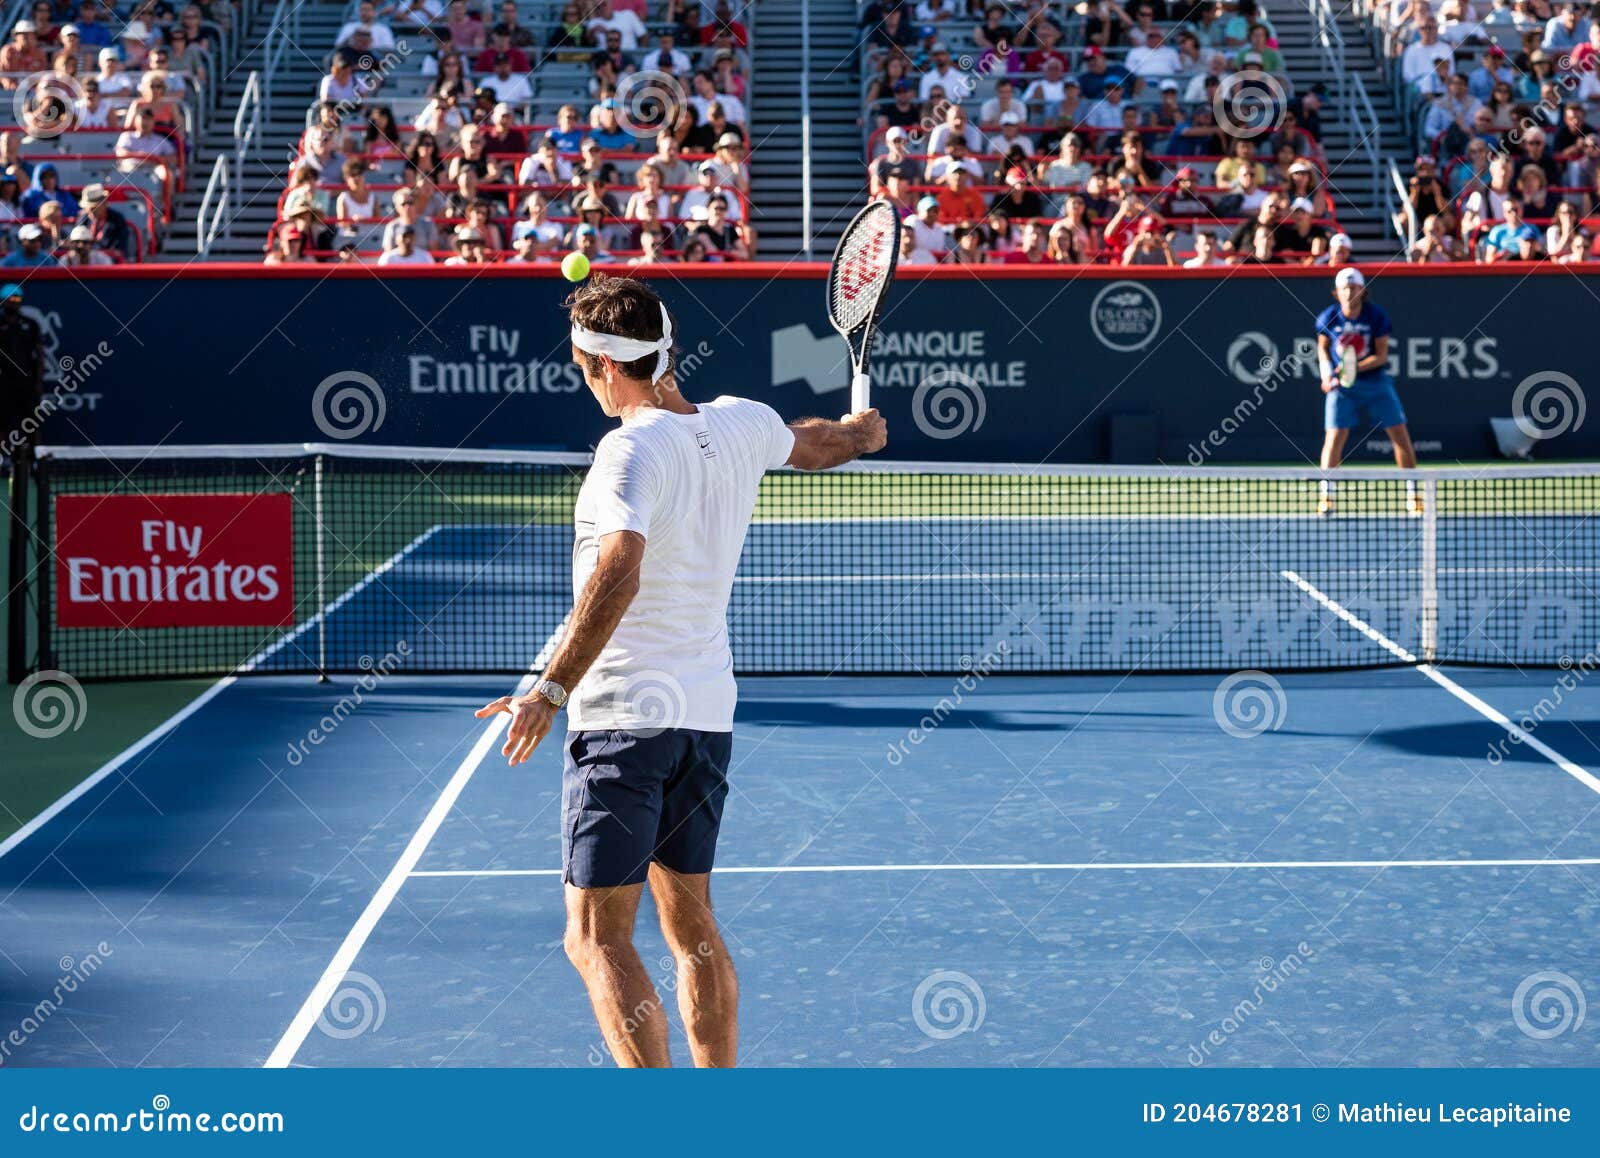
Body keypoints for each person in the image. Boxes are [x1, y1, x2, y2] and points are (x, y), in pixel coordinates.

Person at [473, 277, 887, 1069]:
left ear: (599, 364)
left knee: (594, 937)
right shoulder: (743, 423)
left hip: (624, 722)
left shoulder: (626, 450)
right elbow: (819, 445)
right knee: (691, 927)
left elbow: (619, 571)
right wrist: (860, 434)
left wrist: (550, 690)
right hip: (706, 719)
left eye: (581, 363)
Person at [1314, 268, 1421, 517]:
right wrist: (1327, 375)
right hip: (1342, 389)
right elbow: (1323, 349)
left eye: (1354, 288)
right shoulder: (1327, 317)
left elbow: (1381, 355)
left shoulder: (1376, 316)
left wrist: (1352, 368)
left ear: (1362, 291)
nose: (1349, 292)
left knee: (1400, 436)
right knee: (1333, 439)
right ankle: (1327, 496)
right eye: (1345, 288)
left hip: (1376, 383)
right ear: (1336, 292)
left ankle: (1413, 494)